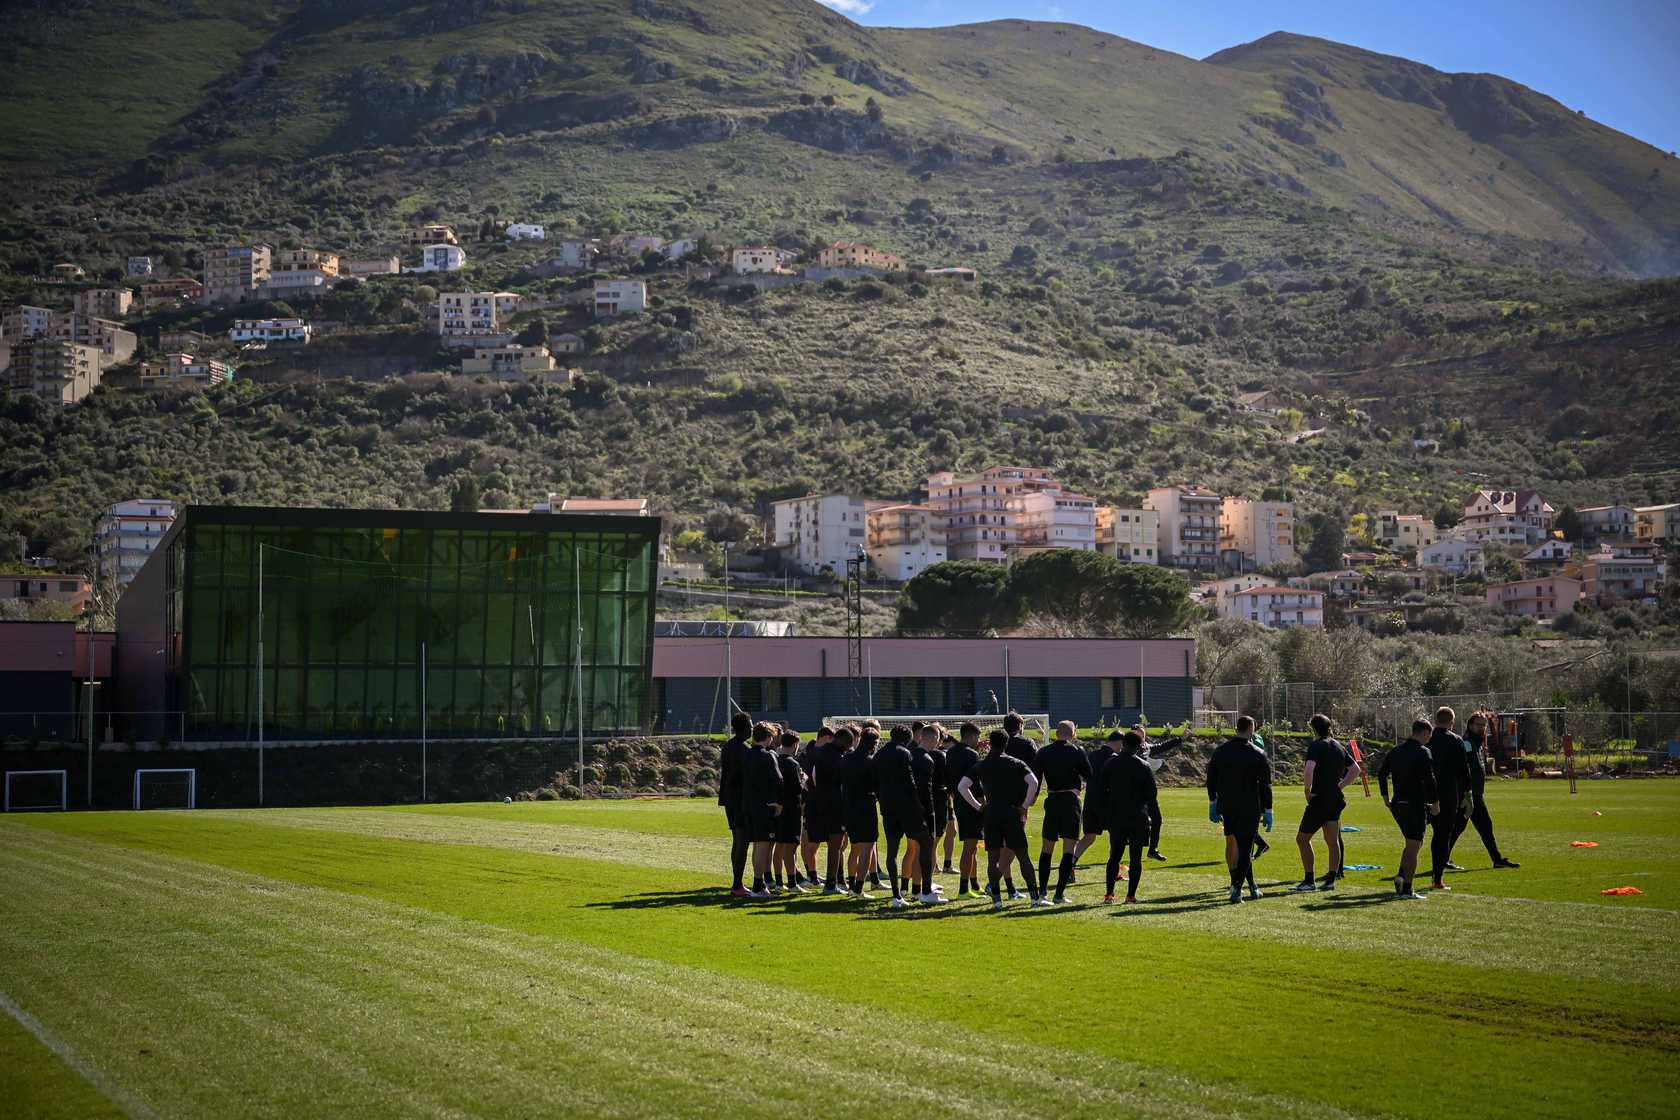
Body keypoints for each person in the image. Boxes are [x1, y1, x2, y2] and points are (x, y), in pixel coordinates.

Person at [958, 729, 1050, 909]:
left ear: (990, 743)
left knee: (993, 858)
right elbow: (1033, 782)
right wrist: (1024, 805)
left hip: (991, 813)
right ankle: (1034, 897)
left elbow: (962, 787)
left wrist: (978, 806)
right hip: (1011, 812)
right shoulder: (1015, 763)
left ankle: (996, 900)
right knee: (1022, 854)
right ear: (1006, 744)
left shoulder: (981, 765)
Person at [873, 725, 943, 908]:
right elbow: (910, 782)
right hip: (907, 808)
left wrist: (883, 800)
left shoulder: (879, 755)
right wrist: (919, 806)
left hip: (888, 808)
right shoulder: (905, 753)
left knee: (892, 852)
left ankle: (897, 896)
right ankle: (925, 891)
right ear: (906, 739)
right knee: (926, 843)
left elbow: (875, 783)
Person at [1206, 715, 1273, 904]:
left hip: (1227, 806)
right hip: (1250, 806)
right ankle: (1236, 888)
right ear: (1251, 729)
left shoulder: (1221, 751)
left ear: (1237, 728)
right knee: (1245, 849)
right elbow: (1265, 786)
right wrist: (1268, 810)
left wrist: (1213, 803)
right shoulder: (1258, 753)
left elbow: (1211, 779)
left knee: (1238, 845)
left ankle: (1251, 886)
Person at [1292, 713, 1361, 892]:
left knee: (1302, 839)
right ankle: (1330, 880)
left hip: (1320, 799)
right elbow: (1355, 769)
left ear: (1314, 729)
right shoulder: (1338, 746)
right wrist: (1340, 786)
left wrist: (1307, 790)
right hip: (1335, 799)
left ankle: (1309, 880)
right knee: (1332, 840)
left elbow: (1309, 768)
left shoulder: (1316, 745)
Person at [1379, 719, 1441, 900]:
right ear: (1424, 733)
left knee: (1413, 843)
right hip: (1414, 804)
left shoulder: (1396, 750)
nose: (1429, 739)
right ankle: (1407, 889)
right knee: (1413, 847)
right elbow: (1430, 780)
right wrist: (1435, 803)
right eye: (1429, 735)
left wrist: (1385, 797)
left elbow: (1382, 773)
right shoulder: (1423, 752)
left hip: (1398, 804)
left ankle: (1401, 876)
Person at [1033, 720, 1093, 904]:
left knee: (1047, 848)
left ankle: (1042, 892)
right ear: (1073, 734)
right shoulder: (1077, 751)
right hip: (1071, 802)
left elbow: (1035, 778)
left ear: (1056, 733)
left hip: (1052, 801)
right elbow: (1090, 775)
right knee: (1068, 849)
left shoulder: (1044, 752)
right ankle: (1059, 894)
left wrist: (1032, 798)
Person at [1454, 710, 1519, 869]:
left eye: (1484, 725)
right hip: (1468, 794)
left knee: (1470, 827)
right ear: (1470, 725)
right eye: (1479, 725)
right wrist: (1465, 792)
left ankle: (1497, 860)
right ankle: (1497, 860)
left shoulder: (1477, 743)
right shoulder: (1467, 743)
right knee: (1467, 827)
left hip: (1475, 793)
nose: (1482, 728)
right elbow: (1462, 768)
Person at [1100, 730, 1159, 904]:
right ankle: (1130, 896)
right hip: (1137, 815)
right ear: (1139, 747)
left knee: (1114, 856)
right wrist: (1155, 817)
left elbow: (1102, 790)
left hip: (1116, 815)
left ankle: (1109, 894)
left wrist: (1105, 813)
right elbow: (1151, 795)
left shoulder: (1110, 763)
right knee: (1135, 858)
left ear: (1123, 744)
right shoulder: (1143, 766)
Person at [1426, 706, 1473, 891]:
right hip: (1448, 793)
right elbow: (1464, 771)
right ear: (1452, 722)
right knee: (1443, 835)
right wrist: (1467, 794)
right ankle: (1437, 877)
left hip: (1427, 793)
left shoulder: (1427, 739)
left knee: (1426, 835)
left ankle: (1404, 874)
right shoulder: (1456, 740)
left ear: (1436, 720)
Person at [998, 712, 1039, 898]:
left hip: (998, 798)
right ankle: (995, 881)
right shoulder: (1027, 743)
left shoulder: (999, 743)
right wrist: (1034, 795)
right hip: (1020, 800)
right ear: (1020, 726)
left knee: (1003, 843)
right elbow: (1036, 770)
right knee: (1015, 843)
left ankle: (1010, 887)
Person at [742, 722, 785, 897]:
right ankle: (758, 886)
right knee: (763, 846)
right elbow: (779, 780)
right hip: (764, 806)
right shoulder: (767, 756)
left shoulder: (746, 754)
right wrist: (779, 803)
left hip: (748, 805)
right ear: (768, 737)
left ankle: (759, 885)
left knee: (757, 846)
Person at [839, 727, 881, 898]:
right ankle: (858, 889)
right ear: (874, 743)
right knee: (867, 848)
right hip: (865, 807)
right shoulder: (871, 761)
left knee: (855, 848)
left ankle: (851, 886)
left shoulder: (846, 758)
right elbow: (876, 786)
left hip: (849, 807)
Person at [717, 710, 755, 898]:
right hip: (741, 800)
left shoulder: (728, 746)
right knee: (743, 841)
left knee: (737, 840)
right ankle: (737, 884)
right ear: (745, 728)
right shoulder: (745, 749)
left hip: (728, 798)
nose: (752, 729)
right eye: (751, 725)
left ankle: (737, 882)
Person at [945, 722, 985, 898]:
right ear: (972, 736)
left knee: (973, 845)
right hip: (972, 802)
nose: (978, 740)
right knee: (970, 846)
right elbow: (976, 782)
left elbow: (948, 778)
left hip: (958, 801)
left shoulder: (951, 752)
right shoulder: (972, 754)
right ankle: (963, 888)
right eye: (978, 737)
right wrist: (982, 802)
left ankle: (974, 884)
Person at [1072, 730, 1122, 866]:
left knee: (1089, 836)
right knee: (1116, 836)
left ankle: (1071, 861)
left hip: (1090, 801)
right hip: (1108, 803)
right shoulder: (1114, 758)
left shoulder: (1092, 755)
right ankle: (1114, 869)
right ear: (1119, 742)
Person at [813, 725, 852, 894]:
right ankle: (830, 884)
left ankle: (836, 880)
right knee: (836, 845)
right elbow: (841, 780)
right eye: (848, 744)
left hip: (823, 803)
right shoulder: (836, 757)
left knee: (834, 844)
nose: (848, 748)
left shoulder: (822, 752)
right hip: (835, 805)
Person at [798, 726, 833, 886]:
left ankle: (813, 875)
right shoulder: (818, 755)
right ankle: (813, 876)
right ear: (826, 738)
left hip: (809, 802)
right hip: (816, 803)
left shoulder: (807, 753)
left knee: (811, 841)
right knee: (813, 842)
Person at [775, 731, 807, 891]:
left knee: (779, 845)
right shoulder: (793, 764)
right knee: (791, 847)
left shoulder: (776, 760)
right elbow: (797, 789)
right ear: (795, 744)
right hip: (792, 809)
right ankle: (792, 883)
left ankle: (778, 881)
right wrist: (803, 779)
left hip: (778, 808)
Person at [935, 731, 958, 875]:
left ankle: (947, 865)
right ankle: (934, 865)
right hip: (939, 799)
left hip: (946, 799)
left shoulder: (944, 752)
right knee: (936, 835)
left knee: (952, 831)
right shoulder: (937, 755)